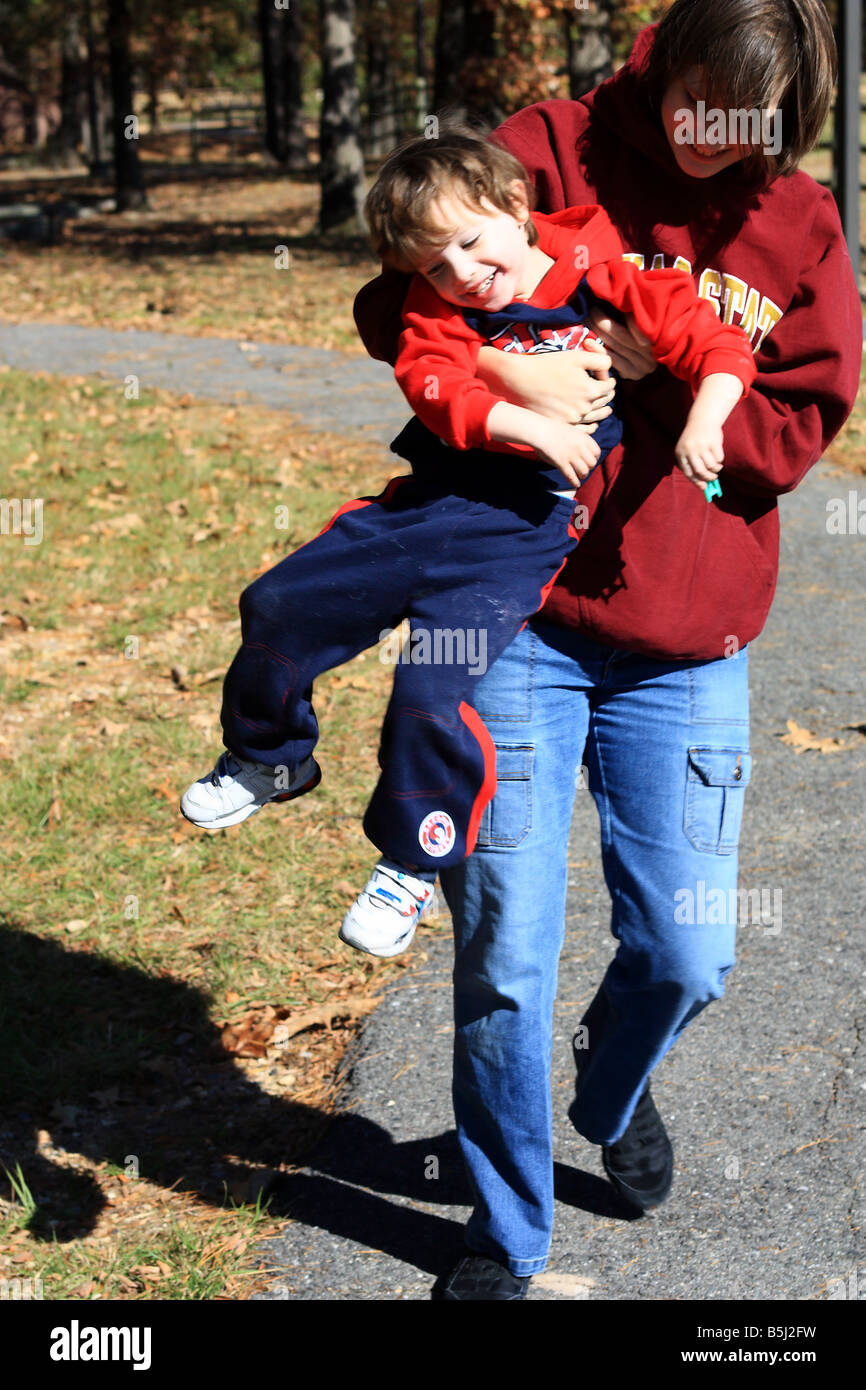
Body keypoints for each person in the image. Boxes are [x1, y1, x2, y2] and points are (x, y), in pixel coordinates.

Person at [352, 0, 861, 1299]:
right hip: (510, 617)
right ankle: (507, 1231)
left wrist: (667, 385)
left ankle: (610, 1079)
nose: (703, 136)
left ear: (785, 108)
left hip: (686, 638)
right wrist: (509, 377)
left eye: (737, 116)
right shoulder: (551, 150)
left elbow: (800, 420)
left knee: (689, 950)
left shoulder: (795, 223)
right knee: (502, 956)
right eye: (690, 94)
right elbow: (399, 293)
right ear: (663, 58)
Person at [180, 130, 755, 961]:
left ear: (518, 210)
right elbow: (432, 382)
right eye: (437, 263)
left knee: (433, 685)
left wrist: (706, 419)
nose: (462, 272)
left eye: (473, 242)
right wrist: (525, 417)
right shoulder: (439, 305)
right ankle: (268, 755)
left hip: (515, 533)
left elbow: (715, 345)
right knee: (278, 601)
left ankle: (412, 860)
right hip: (431, 500)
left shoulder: (609, 276)